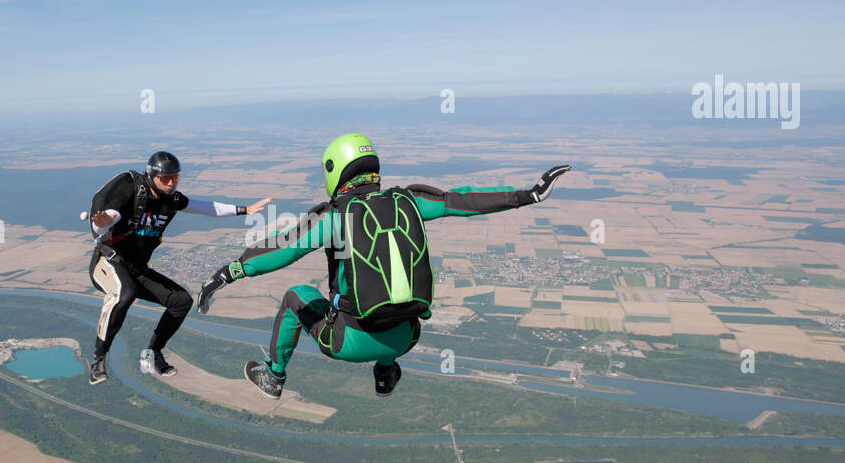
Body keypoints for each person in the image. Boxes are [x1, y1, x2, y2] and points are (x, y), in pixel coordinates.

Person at [196, 133, 570, 397]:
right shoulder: (410, 201)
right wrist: (528, 195)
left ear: (335, 171)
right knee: (392, 301)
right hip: (406, 337)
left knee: (295, 297)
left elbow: (281, 251)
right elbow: (465, 200)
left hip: (349, 342)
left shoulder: (334, 217)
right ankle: (385, 375)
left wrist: (229, 272)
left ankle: (273, 378)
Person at [86, 151, 270, 385]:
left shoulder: (170, 200)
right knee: (125, 293)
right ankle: (98, 359)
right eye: (165, 179)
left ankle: (154, 353)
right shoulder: (133, 190)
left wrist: (244, 210)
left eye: (175, 178)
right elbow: (109, 217)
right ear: (152, 176)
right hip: (108, 263)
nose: (171, 183)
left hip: (137, 269)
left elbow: (205, 207)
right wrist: (100, 223)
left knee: (181, 301)